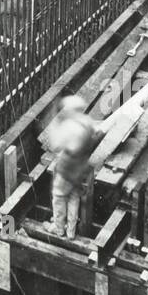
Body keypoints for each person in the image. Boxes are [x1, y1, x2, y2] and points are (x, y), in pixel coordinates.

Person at [48, 97, 104, 238]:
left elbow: (55, 145)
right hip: (80, 167)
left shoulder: (70, 127)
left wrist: (55, 125)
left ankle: (59, 228)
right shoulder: (87, 121)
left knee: (59, 196)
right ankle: (71, 232)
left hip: (68, 166)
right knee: (73, 197)